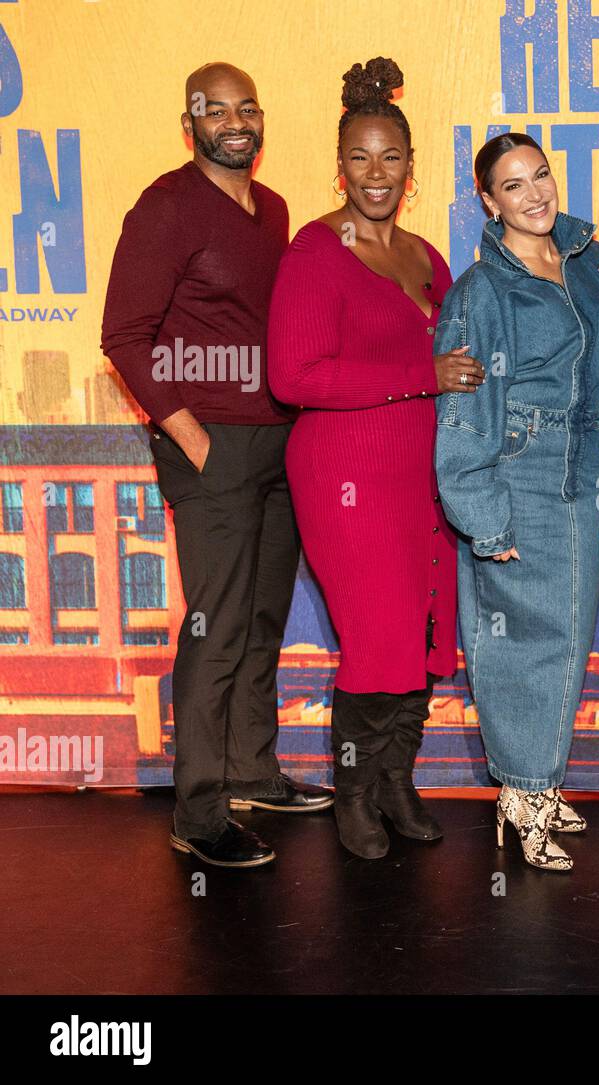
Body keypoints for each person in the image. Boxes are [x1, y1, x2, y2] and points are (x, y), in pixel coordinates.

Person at [101, 62, 332, 870]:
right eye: (217, 109)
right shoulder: (165, 206)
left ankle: (252, 770)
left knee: (264, 617)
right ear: (190, 119)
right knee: (217, 624)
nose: (236, 121)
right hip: (211, 446)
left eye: (248, 108)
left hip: (277, 440)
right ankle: (197, 811)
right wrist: (192, 436)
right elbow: (125, 335)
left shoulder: (271, 209)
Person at [268, 58, 483, 860]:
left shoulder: (428, 255)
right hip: (345, 476)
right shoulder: (315, 252)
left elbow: (463, 352)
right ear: (339, 168)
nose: (375, 174)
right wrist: (418, 376)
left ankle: (397, 778)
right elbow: (294, 376)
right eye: (359, 158)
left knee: (425, 632)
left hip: (424, 477)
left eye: (390, 157)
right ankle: (353, 791)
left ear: (412, 168)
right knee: (375, 640)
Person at [434, 133, 599, 871]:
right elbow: (462, 417)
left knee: (569, 636)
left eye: (542, 175)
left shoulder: (585, 258)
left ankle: (541, 782)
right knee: (518, 644)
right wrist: (486, 520)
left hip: (582, 467)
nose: (535, 194)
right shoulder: (479, 292)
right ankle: (521, 799)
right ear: (488, 202)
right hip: (517, 469)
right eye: (513, 185)